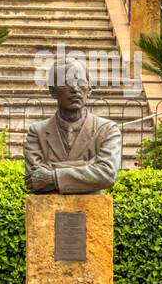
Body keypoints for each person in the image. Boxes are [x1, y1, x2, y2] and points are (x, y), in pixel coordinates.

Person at [24, 58, 122, 194]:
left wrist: (53, 176)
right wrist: (87, 166)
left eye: (81, 82)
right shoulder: (37, 132)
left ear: (89, 89)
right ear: (52, 92)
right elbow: (34, 179)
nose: (75, 89)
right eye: (66, 83)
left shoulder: (107, 130)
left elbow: (106, 174)